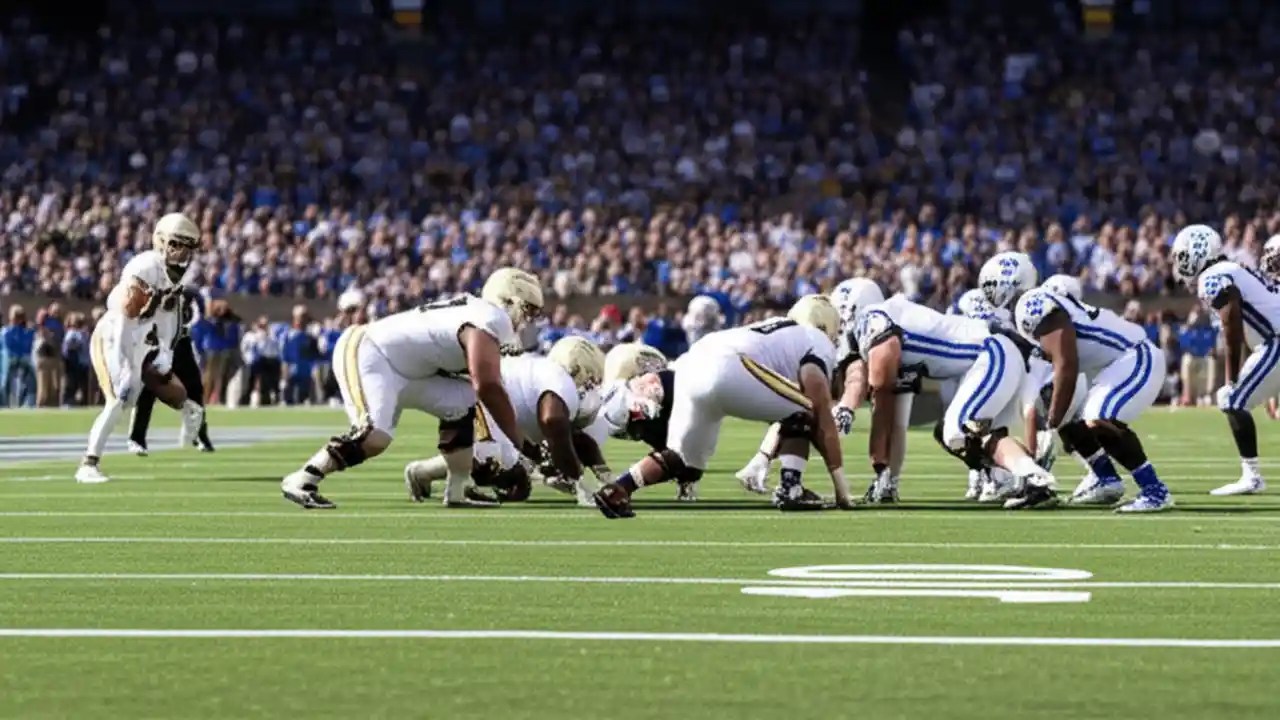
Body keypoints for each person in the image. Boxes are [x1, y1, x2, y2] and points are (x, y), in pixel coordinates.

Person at [279, 268, 544, 509]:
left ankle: (459, 487)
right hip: (370, 352)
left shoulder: (481, 315)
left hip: (410, 370)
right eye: (527, 310)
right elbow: (488, 385)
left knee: (464, 399)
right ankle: (302, 479)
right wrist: (520, 442)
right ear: (507, 300)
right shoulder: (491, 317)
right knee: (376, 436)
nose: (527, 320)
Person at [592, 295, 851, 518]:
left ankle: (619, 488)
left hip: (690, 365)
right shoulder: (816, 340)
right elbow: (819, 410)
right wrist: (842, 489)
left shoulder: (781, 332)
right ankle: (791, 486)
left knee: (682, 461)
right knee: (805, 411)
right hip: (727, 366)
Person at [982, 251, 1173, 512]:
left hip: (1134, 356)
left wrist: (1050, 424)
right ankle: (1105, 478)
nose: (990, 293)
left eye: (992, 285)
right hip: (1115, 364)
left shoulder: (1031, 303)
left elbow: (1066, 363)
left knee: (1097, 417)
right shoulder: (1028, 308)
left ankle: (1155, 490)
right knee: (1067, 415)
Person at [853, 290, 1057, 508]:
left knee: (960, 429)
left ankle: (1033, 477)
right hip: (988, 357)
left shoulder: (871, 319)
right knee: (949, 433)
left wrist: (880, 465)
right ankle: (1013, 476)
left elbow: (882, 388)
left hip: (990, 353)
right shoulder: (890, 314)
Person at [76, 213, 204, 484]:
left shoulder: (174, 277)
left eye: (187, 248)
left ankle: (188, 414)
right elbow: (125, 316)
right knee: (117, 401)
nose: (183, 254)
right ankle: (88, 464)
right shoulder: (143, 267)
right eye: (178, 245)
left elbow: (169, 317)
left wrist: (166, 354)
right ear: (163, 242)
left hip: (142, 339)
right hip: (112, 336)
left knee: (169, 392)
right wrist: (123, 363)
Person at [403, 335, 606, 505]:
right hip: (481, 402)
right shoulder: (560, 384)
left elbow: (572, 437)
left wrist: (603, 473)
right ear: (579, 369)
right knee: (505, 473)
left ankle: (422, 472)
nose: (591, 386)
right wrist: (578, 479)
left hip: (489, 408)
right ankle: (442, 479)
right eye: (591, 379)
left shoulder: (547, 377)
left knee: (516, 479)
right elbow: (552, 421)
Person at [736, 278, 885, 495]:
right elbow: (856, 372)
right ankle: (784, 480)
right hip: (772, 359)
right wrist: (846, 408)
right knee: (805, 408)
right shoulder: (831, 332)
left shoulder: (816, 309)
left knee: (795, 405)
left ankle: (762, 463)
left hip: (750, 355)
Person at [1172, 224, 1279, 496]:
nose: (1181, 264)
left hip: (1276, 341)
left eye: (1183, 256)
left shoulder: (1214, 275)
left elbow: (1232, 326)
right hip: (1270, 342)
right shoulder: (1233, 270)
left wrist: (1231, 377)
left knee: (1232, 399)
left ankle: (1252, 476)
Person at [128, 288, 214, 454]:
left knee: (195, 390)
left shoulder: (186, 293)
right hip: (157, 344)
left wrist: (187, 303)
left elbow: (198, 311)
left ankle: (199, 435)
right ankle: (136, 439)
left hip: (180, 343)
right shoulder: (152, 289)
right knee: (147, 393)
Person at [1179, 307, 1218, 407]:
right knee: (1186, 360)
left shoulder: (1209, 330)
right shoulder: (1186, 330)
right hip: (1192, 357)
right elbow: (1183, 345)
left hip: (1204, 358)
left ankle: (1206, 394)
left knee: (1211, 361)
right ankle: (1187, 395)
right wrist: (1189, 325)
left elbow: (1213, 346)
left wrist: (1212, 350)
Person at [1, 305, 36, 407]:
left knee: (29, 381)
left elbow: (27, 344)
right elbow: (9, 345)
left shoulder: (26, 331)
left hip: (19, 359)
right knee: (7, 381)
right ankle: (6, 404)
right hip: (13, 359)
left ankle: (26, 403)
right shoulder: (6, 331)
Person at [281, 306, 316, 405]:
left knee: (305, 401)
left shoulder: (310, 336)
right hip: (292, 374)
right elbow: (284, 357)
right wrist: (284, 376)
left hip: (306, 374)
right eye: (301, 317)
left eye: (305, 317)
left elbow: (314, 355)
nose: (303, 320)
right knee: (288, 401)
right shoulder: (288, 335)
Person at [61, 313, 91, 406]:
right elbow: (69, 347)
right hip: (74, 362)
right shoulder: (72, 333)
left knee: (82, 385)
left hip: (82, 362)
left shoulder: (84, 333)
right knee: (72, 384)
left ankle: (81, 402)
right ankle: (68, 402)